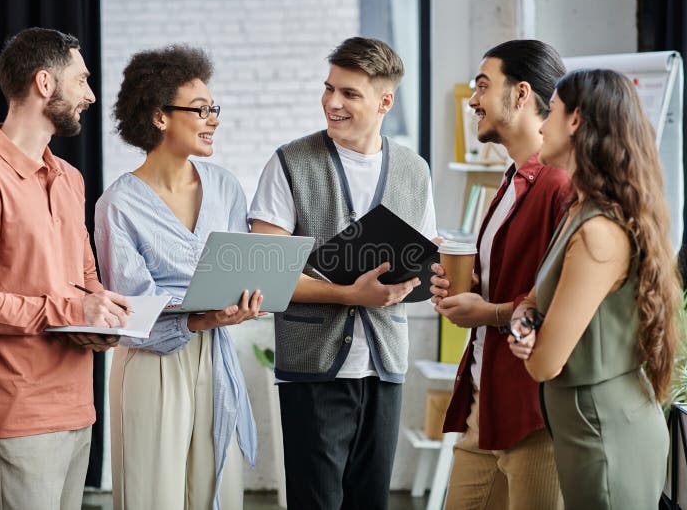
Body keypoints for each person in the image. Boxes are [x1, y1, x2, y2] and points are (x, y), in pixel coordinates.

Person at [0, 27, 130, 510]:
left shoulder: (69, 178)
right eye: (81, 80)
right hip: (20, 410)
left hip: (78, 405)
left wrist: (99, 316)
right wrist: (68, 309)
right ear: (45, 83)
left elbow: (85, 279)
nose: (89, 94)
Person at [249, 36, 436, 510]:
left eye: (349, 94)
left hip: (384, 367)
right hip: (314, 370)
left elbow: (423, 262)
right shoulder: (289, 163)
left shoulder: (414, 170)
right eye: (329, 88)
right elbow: (267, 276)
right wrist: (352, 295)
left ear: (384, 101)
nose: (332, 102)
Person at [94, 45, 263, 510]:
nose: (213, 119)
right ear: (159, 117)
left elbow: (242, 267)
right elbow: (131, 309)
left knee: (215, 495)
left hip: (215, 357)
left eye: (214, 109)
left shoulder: (225, 186)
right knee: (154, 495)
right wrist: (196, 319)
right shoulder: (118, 205)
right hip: (152, 366)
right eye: (200, 109)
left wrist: (246, 300)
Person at [508, 68, 680, 509]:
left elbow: (544, 364)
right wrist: (525, 319)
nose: (541, 125)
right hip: (590, 428)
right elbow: (535, 297)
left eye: (551, 112)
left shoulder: (598, 233)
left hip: (605, 438)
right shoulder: (580, 211)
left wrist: (529, 338)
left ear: (577, 121)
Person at [429, 40, 569, 509]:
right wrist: (463, 291)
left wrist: (486, 311)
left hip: (534, 414)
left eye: (483, 87)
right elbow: (510, 279)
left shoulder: (559, 184)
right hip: (484, 403)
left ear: (522, 93)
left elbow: (564, 299)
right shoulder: (509, 180)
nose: (473, 100)